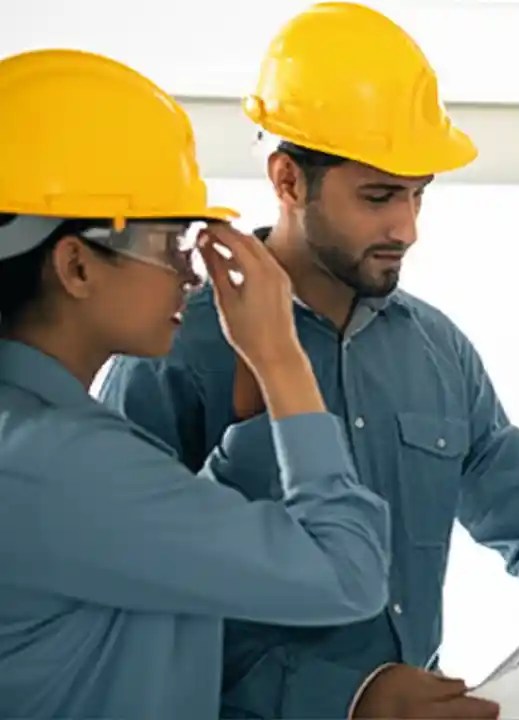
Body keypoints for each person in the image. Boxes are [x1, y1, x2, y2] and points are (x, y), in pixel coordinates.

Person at [95, 3, 519, 718]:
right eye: (379, 197)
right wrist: (345, 701)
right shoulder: (177, 343)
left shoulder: (438, 351)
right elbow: (123, 590)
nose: (407, 228)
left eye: (418, 195)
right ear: (289, 180)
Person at [0, 48, 394, 718]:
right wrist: (279, 359)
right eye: (166, 244)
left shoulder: (40, 445)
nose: (188, 275)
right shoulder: (64, 462)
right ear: (76, 266)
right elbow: (348, 574)